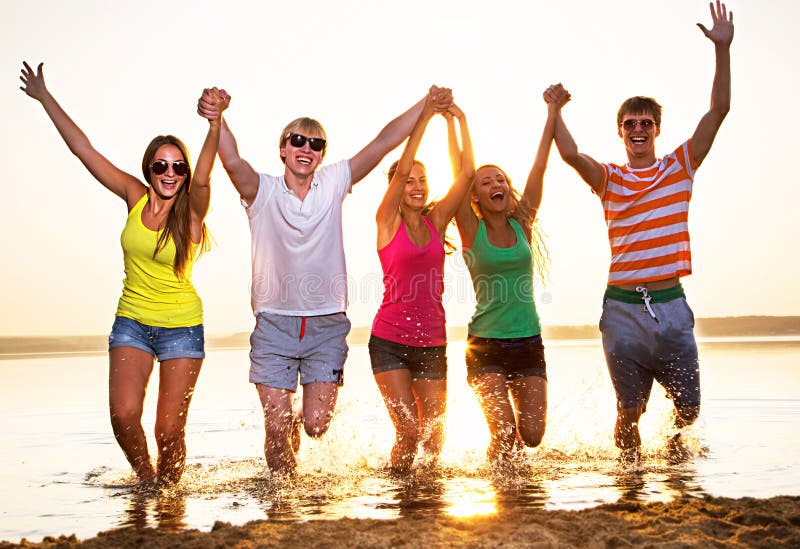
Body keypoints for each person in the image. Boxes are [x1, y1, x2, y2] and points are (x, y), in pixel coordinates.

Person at [197, 85, 453, 476]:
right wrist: (218, 118)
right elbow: (230, 161)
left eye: (316, 143)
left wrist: (427, 106)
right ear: (283, 148)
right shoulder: (261, 191)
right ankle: (282, 507)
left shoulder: (333, 183)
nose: (306, 147)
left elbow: (383, 142)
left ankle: (299, 414)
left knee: (315, 425)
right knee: (277, 426)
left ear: (322, 154)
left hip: (327, 325)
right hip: (275, 324)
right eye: (297, 140)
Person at [19, 61, 229, 485]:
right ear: (149, 169)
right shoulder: (134, 196)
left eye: (177, 167)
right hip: (132, 322)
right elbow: (85, 150)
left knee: (168, 431)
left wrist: (214, 126)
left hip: (181, 327)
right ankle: (149, 483)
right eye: (160, 166)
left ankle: (170, 500)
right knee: (123, 416)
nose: (170, 174)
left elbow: (206, 176)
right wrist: (45, 98)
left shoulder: (191, 212)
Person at [549, 1, 734, 463]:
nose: (637, 129)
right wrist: (555, 111)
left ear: (656, 129)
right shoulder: (610, 178)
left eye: (645, 123)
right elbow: (571, 155)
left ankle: (673, 445)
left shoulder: (680, 166)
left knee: (689, 409)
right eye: (629, 124)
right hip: (623, 309)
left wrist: (723, 51)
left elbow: (720, 110)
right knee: (630, 410)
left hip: (671, 305)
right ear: (620, 132)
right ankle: (629, 480)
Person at [452, 90, 561, 465]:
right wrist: (459, 121)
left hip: (528, 342)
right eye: (486, 182)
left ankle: (518, 490)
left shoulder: (523, 223)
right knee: (503, 433)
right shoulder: (470, 228)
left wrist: (552, 112)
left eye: (499, 179)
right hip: (486, 346)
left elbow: (540, 167)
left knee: (531, 437)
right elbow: (461, 171)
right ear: (476, 197)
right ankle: (501, 503)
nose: (495, 183)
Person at [369, 93, 474, 474]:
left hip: (432, 341)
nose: (416, 186)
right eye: (409, 180)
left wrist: (455, 121)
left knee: (434, 438)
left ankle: (427, 496)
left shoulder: (437, 222)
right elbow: (397, 174)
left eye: (423, 180)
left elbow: (466, 176)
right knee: (409, 432)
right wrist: (425, 118)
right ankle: (399, 494)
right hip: (390, 341)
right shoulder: (386, 222)